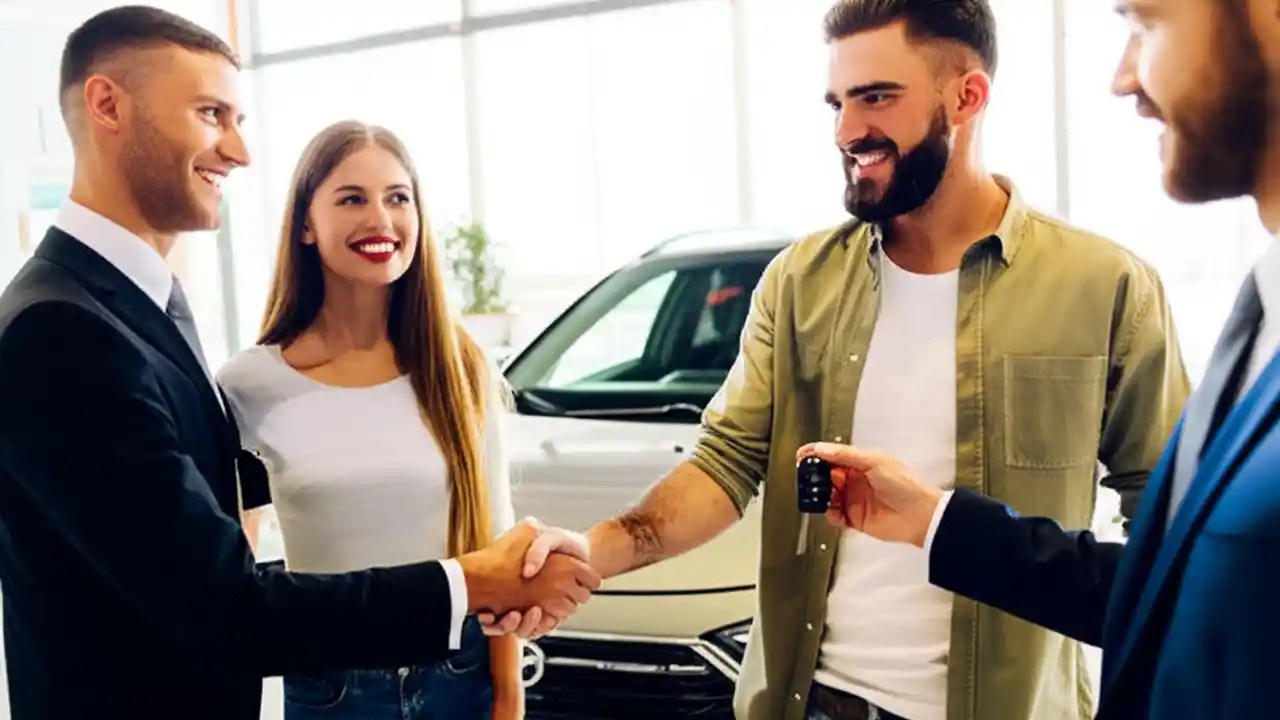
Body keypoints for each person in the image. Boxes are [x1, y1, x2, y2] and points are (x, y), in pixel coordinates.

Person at [493, 1, 1190, 719]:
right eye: (838, 103)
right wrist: (592, 550)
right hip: (818, 704)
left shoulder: (1105, 286)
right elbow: (726, 461)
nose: (847, 131)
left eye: (877, 98)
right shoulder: (801, 281)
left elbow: (1170, 526)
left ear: (967, 96)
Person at [0, 7, 597, 720]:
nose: (239, 152)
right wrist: (470, 582)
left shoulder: (148, 305)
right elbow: (228, 603)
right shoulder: (60, 329)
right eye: (211, 114)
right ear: (107, 105)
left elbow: (205, 547)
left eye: (239, 120)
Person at [795, 0, 1280, 717]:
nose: (1124, 78)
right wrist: (936, 520)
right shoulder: (1261, 309)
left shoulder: (1111, 282)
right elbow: (1169, 586)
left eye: (1147, 23)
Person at [217, 120, 523, 719]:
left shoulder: (459, 365)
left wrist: (509, 698)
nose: (381, 219)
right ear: (306, 225)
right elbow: (232, 572)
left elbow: (497, 539)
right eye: (352, 199)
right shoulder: (248, 385)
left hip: (460, 679)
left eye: (398, 198)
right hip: (330, 689)